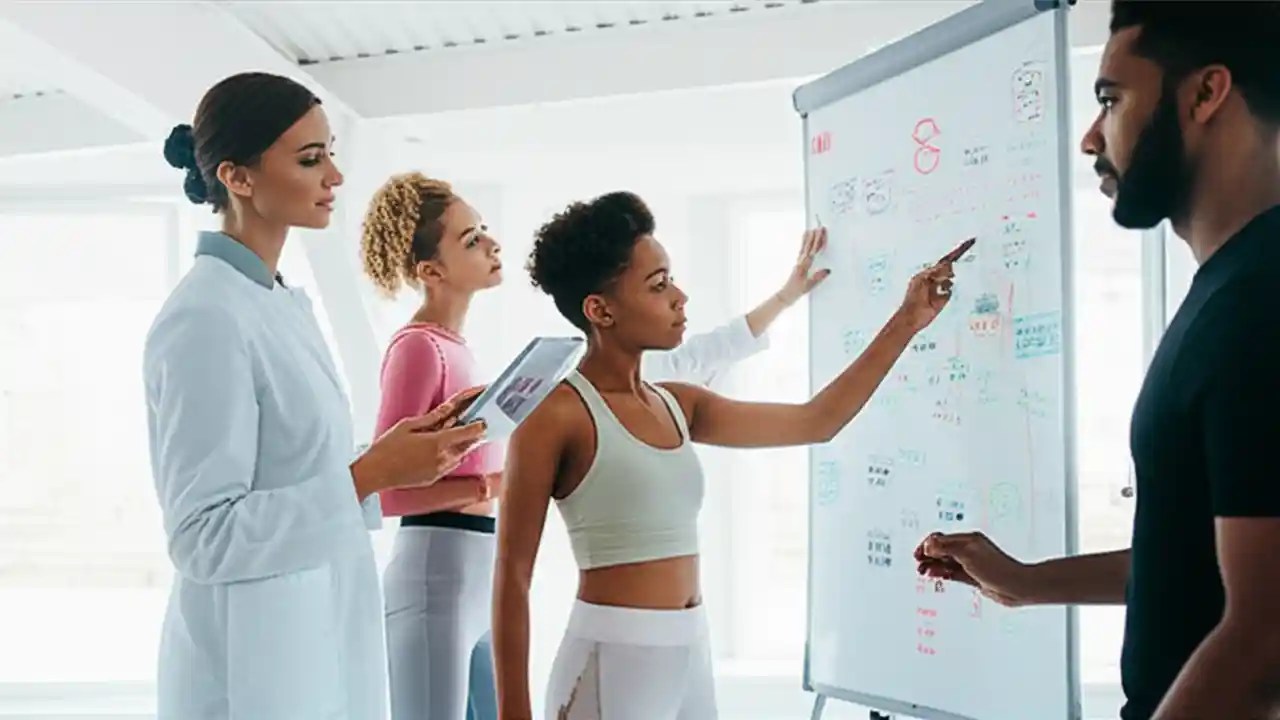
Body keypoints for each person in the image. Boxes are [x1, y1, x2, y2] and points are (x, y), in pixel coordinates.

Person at [915, 3, 1280, 719]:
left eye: (1111, 99)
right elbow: (1204, 564)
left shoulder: (1260, 302)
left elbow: (1267, 637)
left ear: (1206, 94)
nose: (1090, 137)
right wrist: (1026, 582)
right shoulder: (1229, 289)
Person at [358, 172, 830, 720]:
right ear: (430, 271)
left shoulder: (467, 350)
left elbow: (706, 361)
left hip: (475, 565)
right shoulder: (419, 348)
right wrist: (493, 484)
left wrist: (785, 297)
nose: (491, 243)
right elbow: (384, 488)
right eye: (471, 239)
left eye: (483, 229)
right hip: (438, 566)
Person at [492, 190, 971, 719]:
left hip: (690, 648)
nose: (680, 297)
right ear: (600, 310)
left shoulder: (679, 403)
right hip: (612, 657)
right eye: (658, 285)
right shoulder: (554, 416)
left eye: (671, 279)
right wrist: (512, 712)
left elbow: (818, 421)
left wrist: (907, 320)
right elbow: (512, 577)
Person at [143, 72, 487, 720]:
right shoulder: (205, 317)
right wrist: (367, 476)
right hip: (250, 669)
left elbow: (293, 470)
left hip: (313, 642)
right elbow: (202, 536)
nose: (334, 175)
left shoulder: (276, 303)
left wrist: (392, 458)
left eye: (330, 152)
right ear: (237, 177)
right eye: (309, 159)